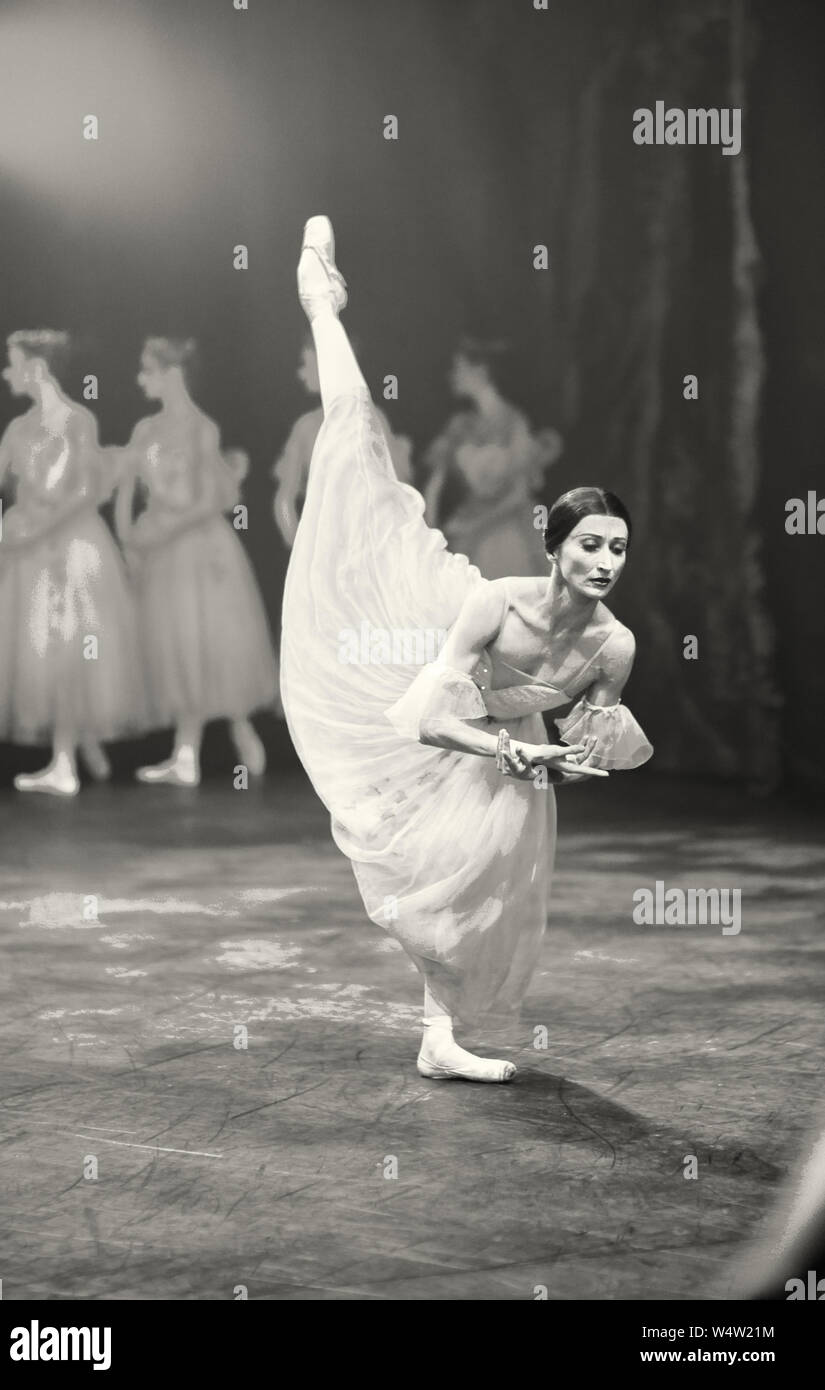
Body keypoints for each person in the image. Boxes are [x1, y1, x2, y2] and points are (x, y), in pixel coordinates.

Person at [280, 217, 653, 1084]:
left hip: (503, 755)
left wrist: (557, 760)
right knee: (360, 471)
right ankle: (321, 307)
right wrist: (508, 746)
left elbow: (584, 745)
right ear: (554, 547)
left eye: (617, 549)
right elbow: (424, 715)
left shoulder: (615, 647)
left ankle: (436, 1039)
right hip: (437, 672)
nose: (603, 563)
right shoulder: (494, 601)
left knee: (469, 901)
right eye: (589, 546)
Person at [0, 329, 147, 796]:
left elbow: (88, 491)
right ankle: (76, 749)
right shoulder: (17, 428)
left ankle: (66, 760)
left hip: (71, 547)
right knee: (42, 650)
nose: (7, 373)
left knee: (67, 647)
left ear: (37, 368)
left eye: (12, 363)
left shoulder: (77, 419)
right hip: (29, 548)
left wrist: (36, 533)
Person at [113, 336, 278, 785]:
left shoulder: (201, 428)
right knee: (178, 645)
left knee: (208, 642)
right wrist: (129, 540)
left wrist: (162, 531)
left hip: (198, 547)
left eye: (147, 370)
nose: (139, 379)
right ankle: (186, 753)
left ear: (172, 374)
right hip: (162, 550)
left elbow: (209, 499)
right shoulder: (145, 430)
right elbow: (127, 486)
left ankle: (236, 734)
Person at [423, 337, 562, 580]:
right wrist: (431, 537)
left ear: (481, 370)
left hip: (506, 527)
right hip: (464, 529)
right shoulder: (459, 426)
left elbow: (519, 492)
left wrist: (476, 527)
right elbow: (434, 487)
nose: (452, 375)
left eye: (458, 367)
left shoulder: (515, 423)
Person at [272, 332, 413, 548]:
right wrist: (299, 547)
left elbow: (398, 488)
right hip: (327, 545)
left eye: (306, 365)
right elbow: (284, 498)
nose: (300, 374)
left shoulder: (371, 419)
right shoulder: (305, 427)